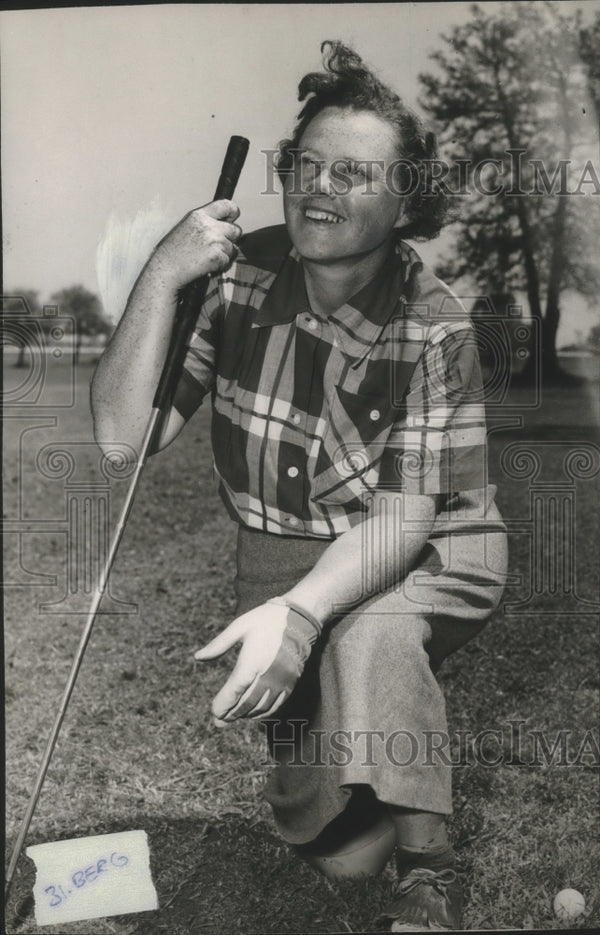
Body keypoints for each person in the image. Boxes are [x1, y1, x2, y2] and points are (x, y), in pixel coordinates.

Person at [92, 41, 508, 933]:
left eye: (353, 172)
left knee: (373, 632)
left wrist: (302, 614)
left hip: (432, 542)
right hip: (285, 544)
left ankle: (430, 868)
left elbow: (400, 525)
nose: (320, 186)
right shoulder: (236, 276)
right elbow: (124, 438)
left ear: (408, 202)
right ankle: (375, 800)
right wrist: (162, 274)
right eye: (305, 164)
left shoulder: (436, 326)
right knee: (335, 849)